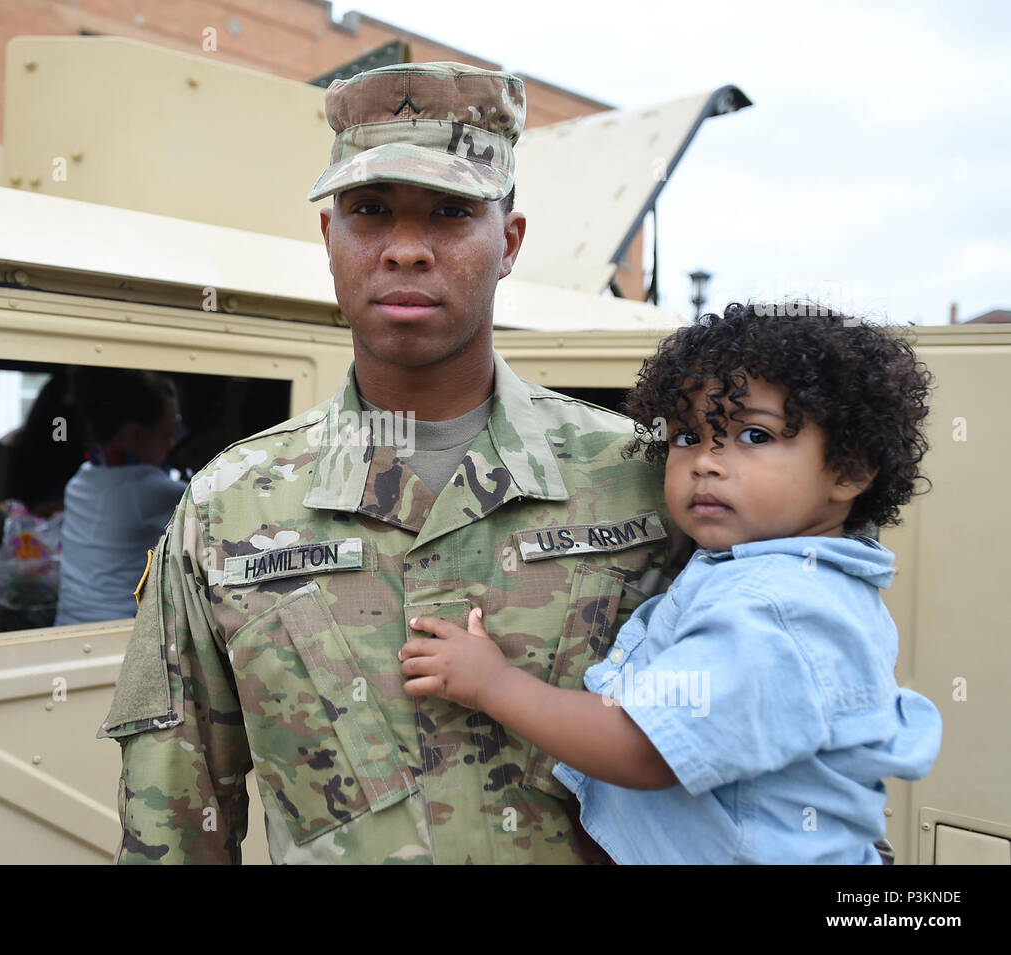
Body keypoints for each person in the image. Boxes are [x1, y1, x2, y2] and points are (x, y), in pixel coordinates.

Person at [100, 62, 687, 864]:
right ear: (329, 239)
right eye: (370, 211)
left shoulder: (646, 480)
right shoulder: (228, 509)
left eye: (450, 213)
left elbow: (751, 747)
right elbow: (177, 815)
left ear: (508, 243)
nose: (407, 250)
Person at [401, 303, 943, 863]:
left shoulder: (774, 604)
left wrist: (494, 685)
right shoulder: (768, 573)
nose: (706, 461)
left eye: (753, 435)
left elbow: (644, 749)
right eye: (687, 436)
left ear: (850, 470)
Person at [55, 368, 187, 625]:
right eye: (167, 434)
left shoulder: (81, 479)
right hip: (116, 635)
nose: (171, 445)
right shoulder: (151, 491)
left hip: (66, 625)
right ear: (135, 435)